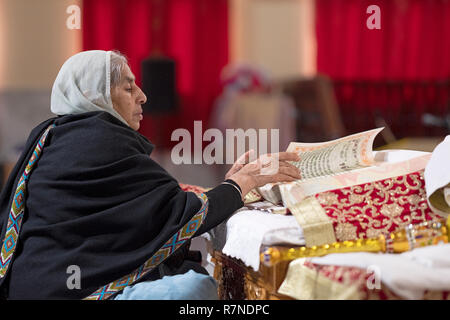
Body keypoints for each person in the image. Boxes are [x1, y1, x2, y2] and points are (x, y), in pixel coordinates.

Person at [0, 50, 301, 300]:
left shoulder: (53, 133)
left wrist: (230, 185)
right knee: (195, 289)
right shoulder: (101, 139)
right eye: (129, 88)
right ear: (96, 95)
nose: (142, 96)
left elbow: (140, 209)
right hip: (69, 291)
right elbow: (176, 214)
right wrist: (241, 184)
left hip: (32, 283)